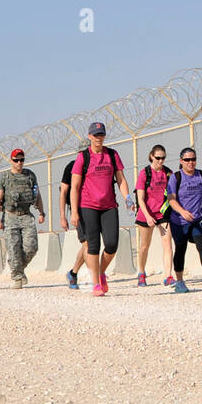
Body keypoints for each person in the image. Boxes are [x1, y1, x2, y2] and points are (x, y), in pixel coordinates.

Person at [69, 123, 131, 297]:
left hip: (109, 206)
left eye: (101, 134)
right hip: (88, 206)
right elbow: (74, 187)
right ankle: (96, 284)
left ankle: (100, 272)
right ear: (89, 136)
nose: (99, 138)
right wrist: (74, 212)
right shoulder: (83, 157)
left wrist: (127, 198)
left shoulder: (112, 155)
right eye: (95, 135)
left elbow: (121, 179)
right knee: (93, 245)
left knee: (111, 245)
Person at [163, 147, 202, 292]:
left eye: (193, 159)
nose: (191, 162)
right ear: (181, 161)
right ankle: (180, 282)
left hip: (199, 219)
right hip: (179, 221)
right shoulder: (175, 177)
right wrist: (182, 212)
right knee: (180, 249)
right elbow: (171, 200)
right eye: (187, 160)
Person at [0, 148, 46, 289]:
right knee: (13, 248)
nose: (19, 162)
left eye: (21, 160)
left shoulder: (30, 176)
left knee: (32, 247)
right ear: (11, 161)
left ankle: (18, 268)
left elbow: (37, 194)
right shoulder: (4, 178)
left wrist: (41, 212)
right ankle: (17, 277)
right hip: (10, 217)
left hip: (26, 215)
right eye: (16, 160)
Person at [134, 145, 173, 287]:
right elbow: (140, 199)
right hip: (146, 214)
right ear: (151, 156)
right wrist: (148, 216)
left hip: (163, 213)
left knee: (168, 245)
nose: (161, 161)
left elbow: (172, 193)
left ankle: (168, 275)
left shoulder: (168, 173)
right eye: (158, 158)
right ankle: (141, 272)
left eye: (163, 158)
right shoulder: (145, 173)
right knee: (144, 246)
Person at [61, 142, 88, 289]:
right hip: (78, 210)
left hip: (94, 208)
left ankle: (73, 272)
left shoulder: (93, 165)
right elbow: (63, 192)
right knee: (88, 244)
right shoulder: (71, 167)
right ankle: (95, 275)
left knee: (89, 245)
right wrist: (62, 217)